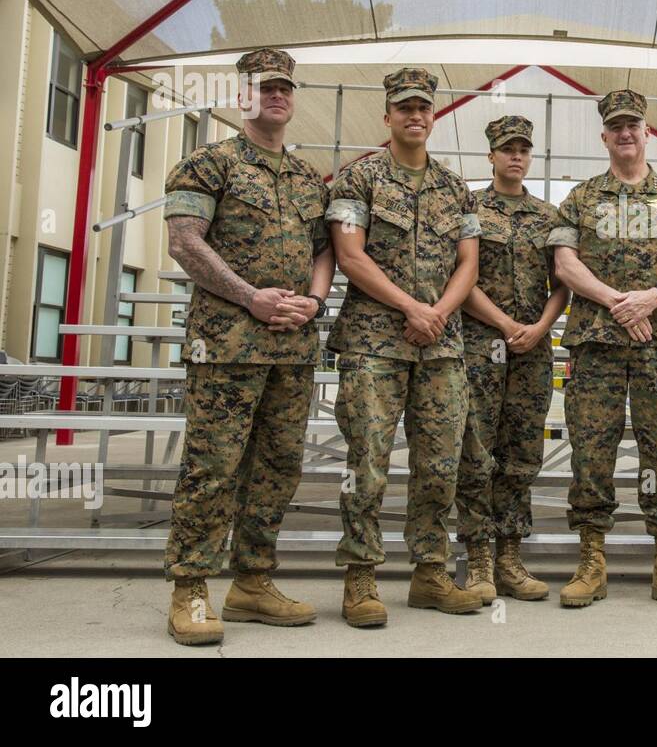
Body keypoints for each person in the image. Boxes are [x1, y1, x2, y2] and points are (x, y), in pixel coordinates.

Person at [161, 47, 333, 645]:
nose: (276, 96)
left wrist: (313, 300)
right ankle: (190, 589)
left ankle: (252, 582)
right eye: (264, 87)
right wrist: (248, 296)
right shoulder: (211, 163)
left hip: (292, 347)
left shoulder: (310, 177)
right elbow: (184, 242)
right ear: (242, 96)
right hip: (229, 345)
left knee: (279, 467)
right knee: (212, 468)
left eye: (285, 87)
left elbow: (323, 249)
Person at [546, 89, 657, 609]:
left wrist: (654, 297)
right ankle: (591, 560)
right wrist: (620, 302)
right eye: (615, 126)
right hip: (597, 344)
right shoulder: (580, 197)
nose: (625, 133)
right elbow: (564, 263)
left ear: (647, 133)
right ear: (604, 136)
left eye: (633, 125)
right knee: (591, 450)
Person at [326, 67, 481, 626]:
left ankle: (430, 572)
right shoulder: (358, 179)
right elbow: (351, 256)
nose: (416, 116)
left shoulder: (454, 187)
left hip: (441, 345)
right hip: (375, 343)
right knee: (367, 461)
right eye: (405, 107)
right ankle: (361, 576)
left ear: (433, 116)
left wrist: (437, 312)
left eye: (424, 108)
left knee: (440, 463)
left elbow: (469, 262)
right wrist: (411, 307)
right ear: (387, 115)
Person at [455, 116, 569, 603]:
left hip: (533, 351)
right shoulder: (469, 208)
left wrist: (542, 327)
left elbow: (562, 281)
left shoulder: (549, 216)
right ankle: (478, 558)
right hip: (481, 346)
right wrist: (505, 324)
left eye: (523, 149)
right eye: (507, 149)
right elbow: (459, 277)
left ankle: (509, 556)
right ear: (492, 156)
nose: (515, 156)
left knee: (522, 454)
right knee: (476, 452)